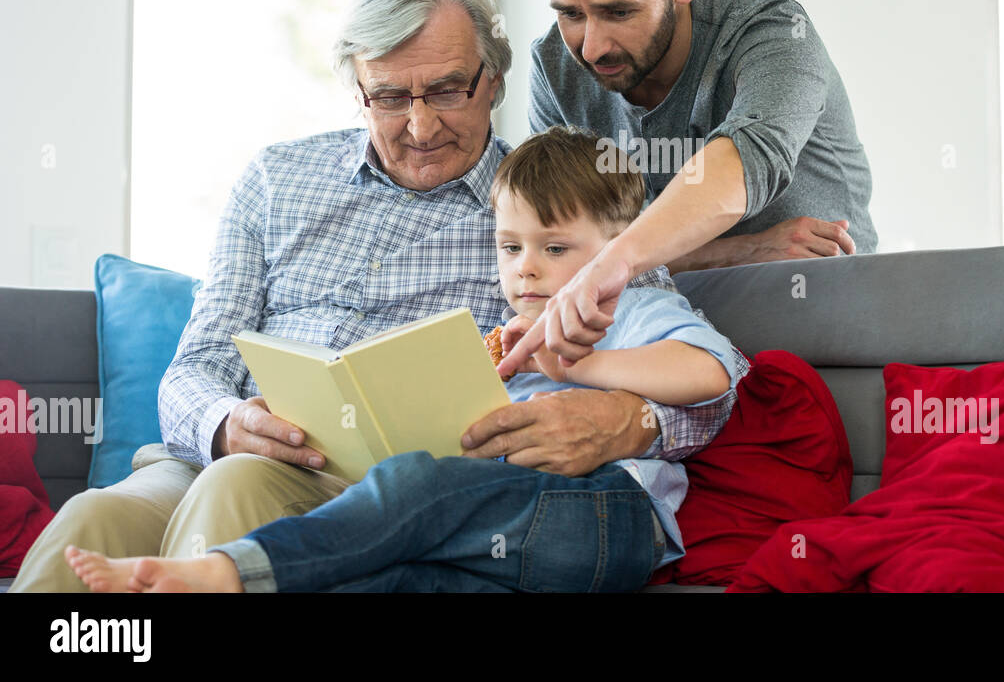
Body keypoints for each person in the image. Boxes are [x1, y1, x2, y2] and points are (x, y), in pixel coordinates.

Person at [12, 0, 746, 592]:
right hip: (230, 453)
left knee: (235, 496)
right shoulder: (277, 179)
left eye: (447, 91)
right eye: (390, 97)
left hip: (370, 491)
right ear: (358, 89)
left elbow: (713, 377)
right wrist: (226, 424)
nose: (421, 127)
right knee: (94, 518)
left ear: (492, 81)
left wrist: (632, 421)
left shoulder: (548, 206)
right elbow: (194, 367)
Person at [65, 126, 745, 592]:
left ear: (617, 248)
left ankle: (230, 571)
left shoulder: (621, 309)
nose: (528, 270)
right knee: (375, 575)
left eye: (556, 249)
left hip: (605, 516)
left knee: (418, 486)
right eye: (510, 249)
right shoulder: (513, 328)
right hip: (507, 532)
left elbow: (710, 372)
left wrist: (580, 367)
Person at [504, 0, 878, 377]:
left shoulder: (771, 32)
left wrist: (614, 260)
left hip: (820, 330)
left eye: (618, 12)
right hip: (649, 343)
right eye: (570, 13)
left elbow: (741, 163)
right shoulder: (554, 66)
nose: (590, 47)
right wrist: (744, 249)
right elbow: (571, 250)